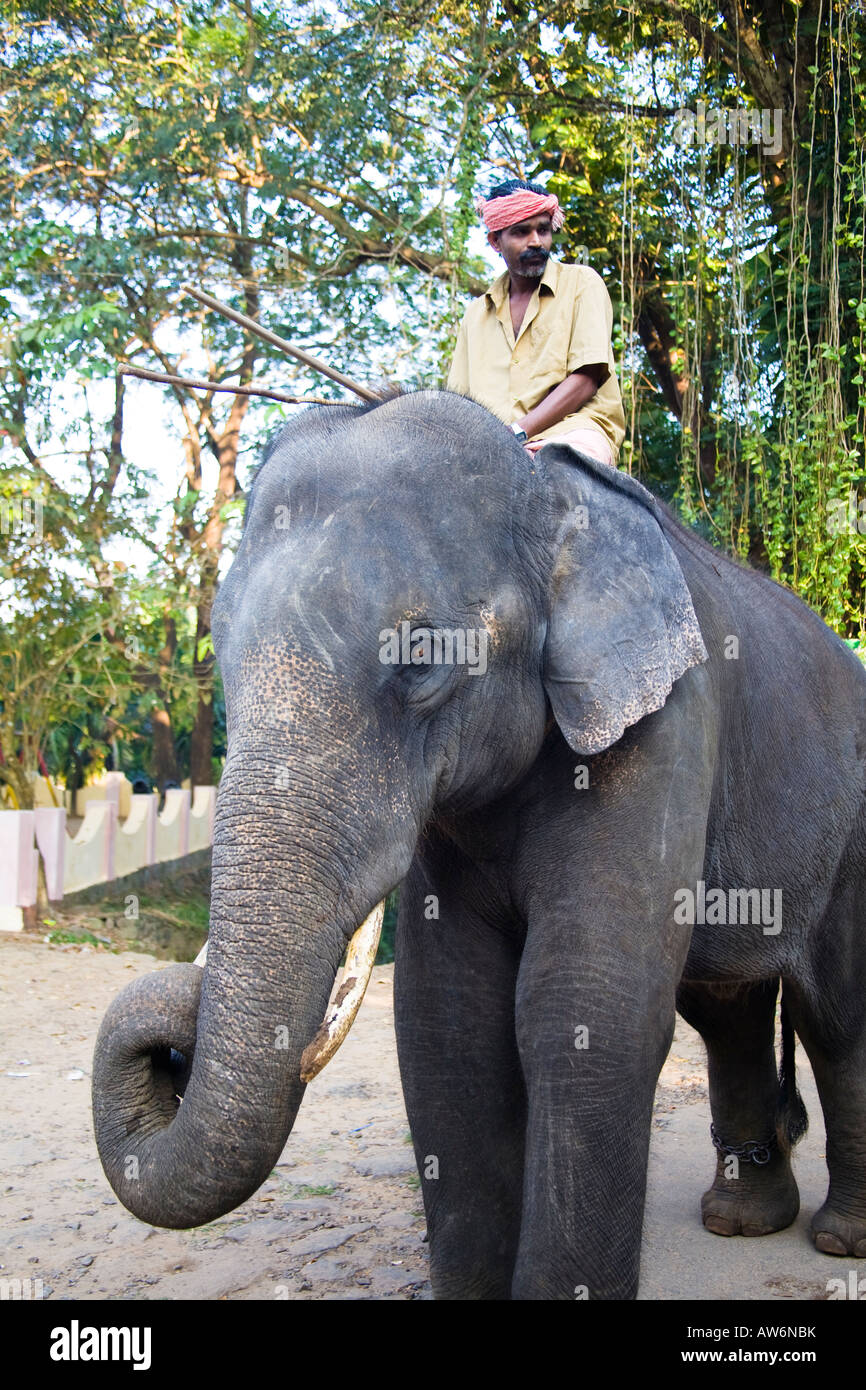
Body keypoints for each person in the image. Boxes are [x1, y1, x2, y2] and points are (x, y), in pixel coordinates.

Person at [446, 178, 625, 467]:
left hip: (573, 433)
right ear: (495, 241)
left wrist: (516, 433)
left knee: (549, 473)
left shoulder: (582, 284)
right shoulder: (475, 315)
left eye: (543, 230)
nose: (536, 242)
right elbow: (458, 409)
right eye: (521, 232)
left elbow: (586, 381)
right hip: (493, 453)